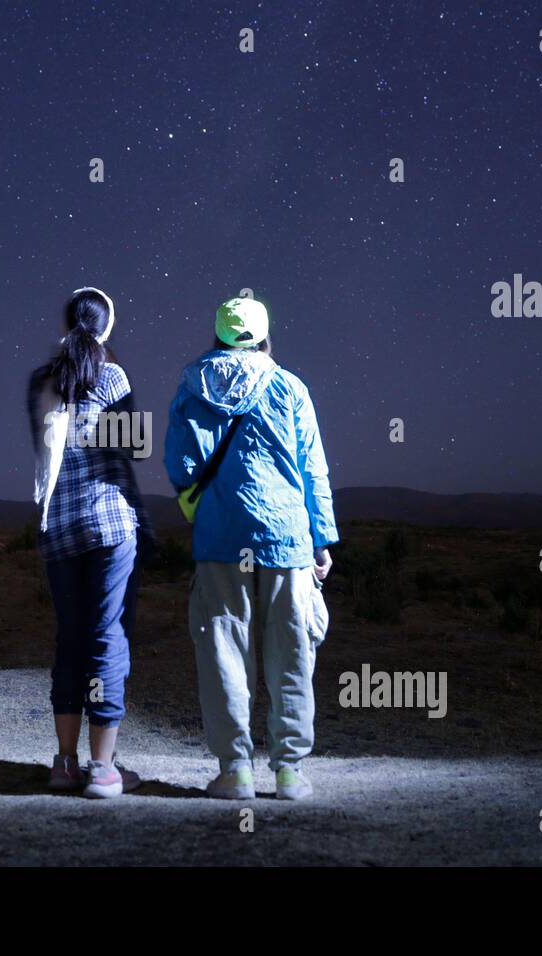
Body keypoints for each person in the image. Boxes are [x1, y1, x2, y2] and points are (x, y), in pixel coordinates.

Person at [163, 297, 337, 800]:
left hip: (220, 539)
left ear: (217, 334)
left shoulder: (193, 384)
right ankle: (289, 772)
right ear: (264, 336)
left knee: (223, 650)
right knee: (292, 652)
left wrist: (201, 511)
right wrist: (322, 538)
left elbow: (180, 462)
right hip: (287, 539)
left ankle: (235, 769)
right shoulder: (290, 386)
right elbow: (313, 469)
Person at [27, 287, 151, 799]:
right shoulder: (111, 375)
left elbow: (47, 452)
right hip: (108, 524)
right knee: (107, 635)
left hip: (59, 528)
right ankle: (104, 769)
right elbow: (138, 447)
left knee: (70, 638)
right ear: (106, 327)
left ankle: (64, 763)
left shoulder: (42, 381)